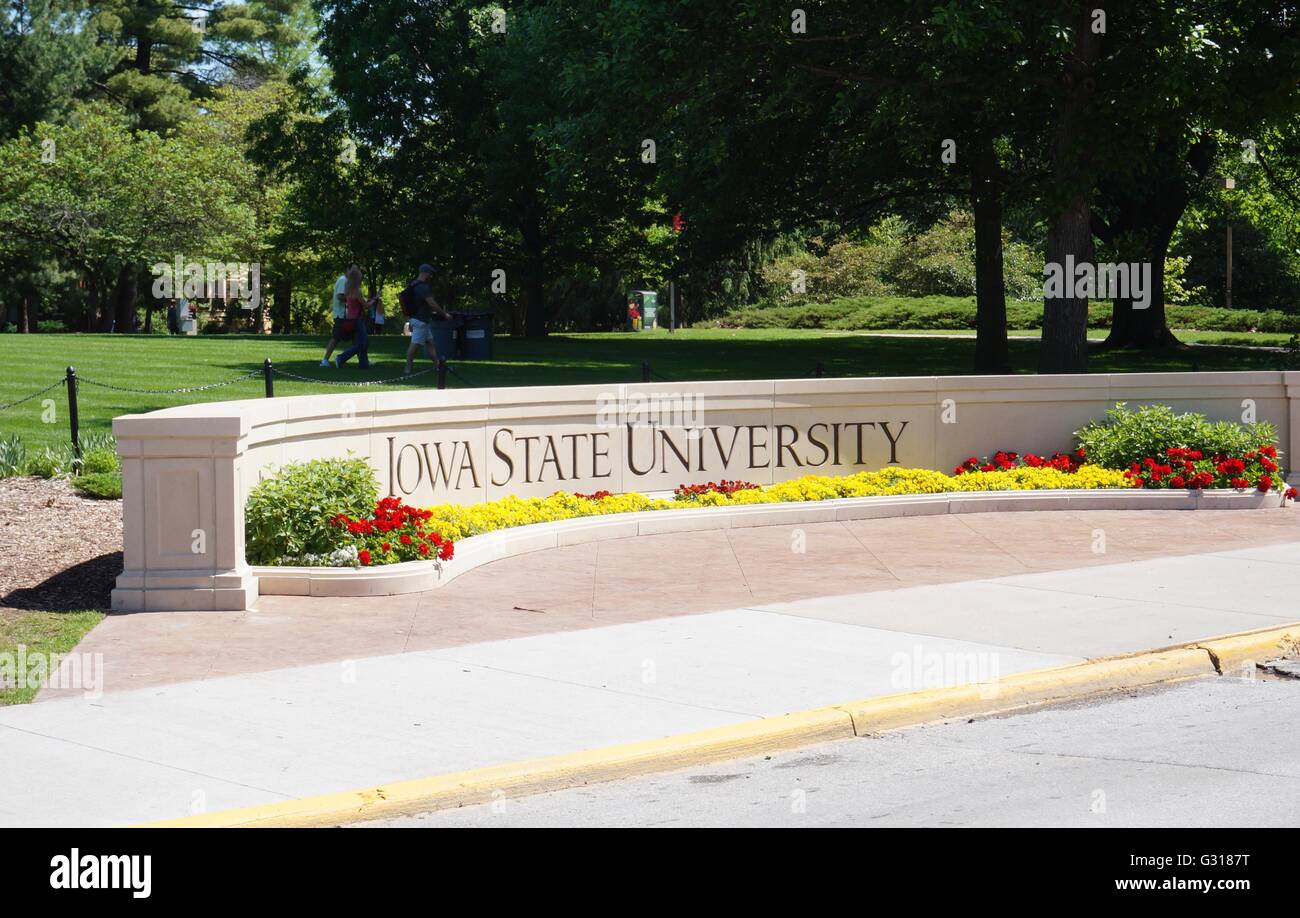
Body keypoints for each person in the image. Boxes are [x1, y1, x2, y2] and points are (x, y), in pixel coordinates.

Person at [404, 263, 453, 375]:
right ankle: (408, 368)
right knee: (415, 345)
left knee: (430, 343)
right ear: (424, 273)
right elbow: (432, 304)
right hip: (421, 321)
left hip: (417, 319)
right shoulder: (423, 287)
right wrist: (444, 314)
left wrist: (410, 320)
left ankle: (437, 366)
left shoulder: (413, 285)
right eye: (430, 273)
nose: (431, 276)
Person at [335, 267, 376, 369]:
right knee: (363, 343)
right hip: (358, 320)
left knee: (361, 342)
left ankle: (364, 364)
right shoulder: (357, 291)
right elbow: (366, 305)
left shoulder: (347, 289)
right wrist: (375, 299)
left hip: (350, 319)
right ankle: (341, 358)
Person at [320, 264, 357, 367]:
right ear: (347, 269)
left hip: (346, 315)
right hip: (341, 315)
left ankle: (363, 360)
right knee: (336, 338)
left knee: (357, 337)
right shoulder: (343, 280)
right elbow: (340, 296)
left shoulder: (348, 281)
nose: (355, 272)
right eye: (353, 270)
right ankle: (325, 360)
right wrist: (354, 299)